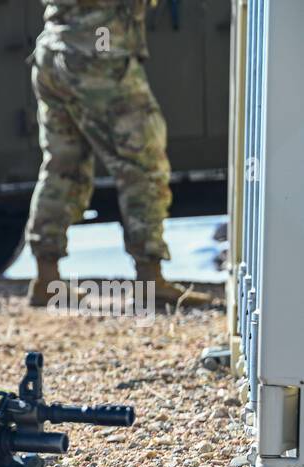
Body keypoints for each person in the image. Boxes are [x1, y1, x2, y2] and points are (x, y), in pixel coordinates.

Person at [24, 0, 212, 307]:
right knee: (143, 163)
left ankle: (46, 277)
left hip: (54, 51)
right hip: (98, 59)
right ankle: (150, 278)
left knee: (62, 165)